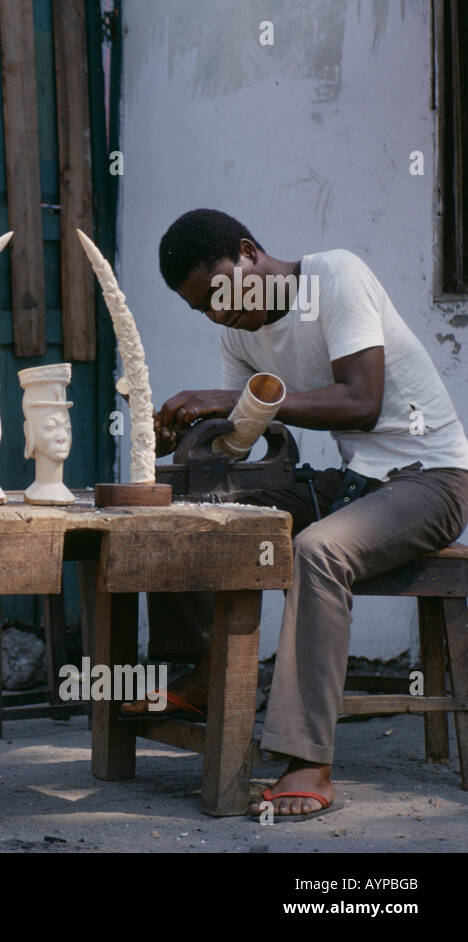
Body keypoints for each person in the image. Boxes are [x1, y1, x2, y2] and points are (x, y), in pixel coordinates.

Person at [125, 208, 468, 821]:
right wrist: (183, 440)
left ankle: (306, 755)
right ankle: (205, 673)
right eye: (200, 309)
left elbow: (362, 403)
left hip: (430, 479)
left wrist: (232, 400)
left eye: (218, 294)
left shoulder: (336, 277)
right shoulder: (238, 334)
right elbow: (240, 439)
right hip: (355, 483)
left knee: (320, 551)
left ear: (249, 252)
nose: (218, 315)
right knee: (185, 505)